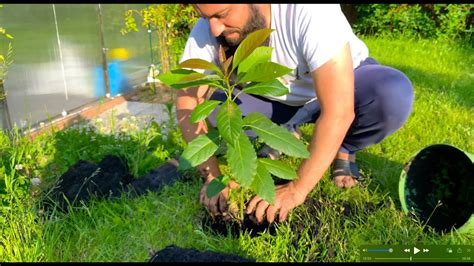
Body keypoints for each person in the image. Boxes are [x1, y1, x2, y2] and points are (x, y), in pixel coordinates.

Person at [175, 4, 414, 224]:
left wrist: (297, 189)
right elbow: (187, 99)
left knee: (390, 94)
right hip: (277, 99)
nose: (215, 29)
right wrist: (212, 177)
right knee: (220, 111)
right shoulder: (209, 26)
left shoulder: (309, 11)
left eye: (222, 15)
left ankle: (345, 148)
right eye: (207, 18)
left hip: (344, 88)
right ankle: (284, 133)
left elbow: (338, 111)